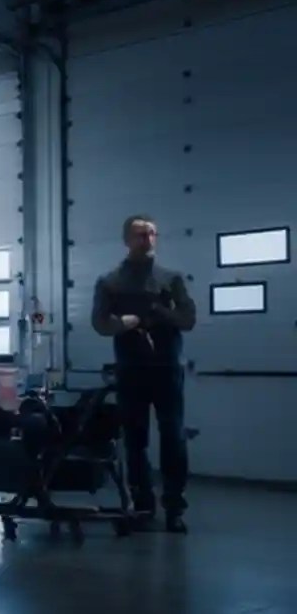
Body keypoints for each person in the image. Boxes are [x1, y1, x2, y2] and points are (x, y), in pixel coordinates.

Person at [92, 214, 196, 533]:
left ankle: (174, 506)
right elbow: (100, 323)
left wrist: (161, 311)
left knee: (173, 437)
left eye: (152, 234)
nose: (147, 240)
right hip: (132, 370)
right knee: (135, 440)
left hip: (166, 369)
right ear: (127, 240)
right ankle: (142, 503)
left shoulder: (171, 279)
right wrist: (127, 321)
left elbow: (188, 319)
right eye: (140, 235)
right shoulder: (110, 282)